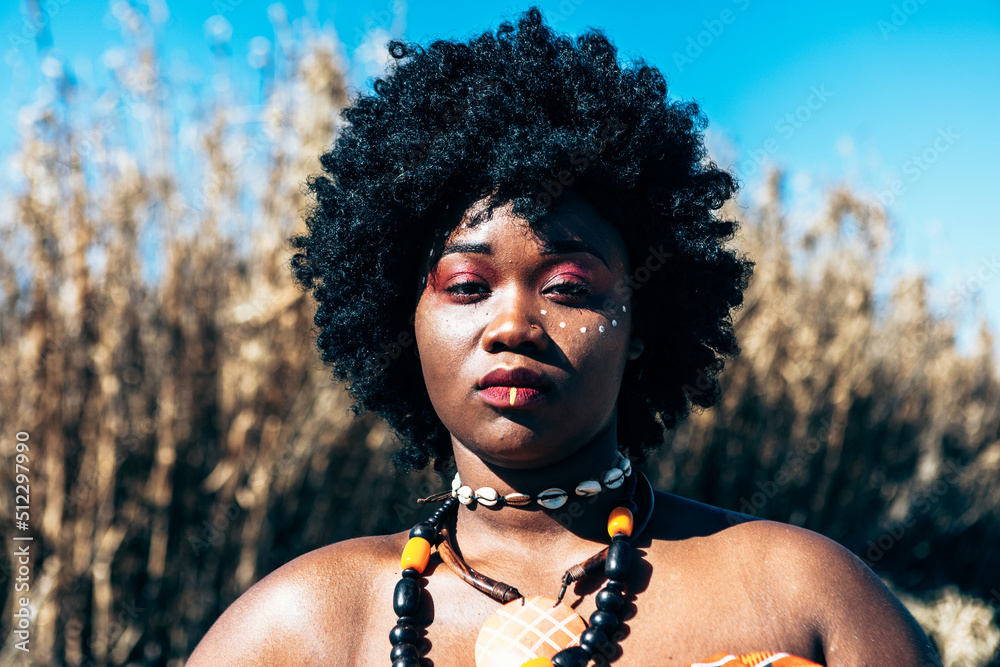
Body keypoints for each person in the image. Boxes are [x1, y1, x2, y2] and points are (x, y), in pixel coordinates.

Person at [187, 8, 942, 666]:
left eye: (569, 288)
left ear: (643, 321)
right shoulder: (302, 628)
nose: (513, 324)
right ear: (399, 319)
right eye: (466, 287)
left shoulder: (806, 598)